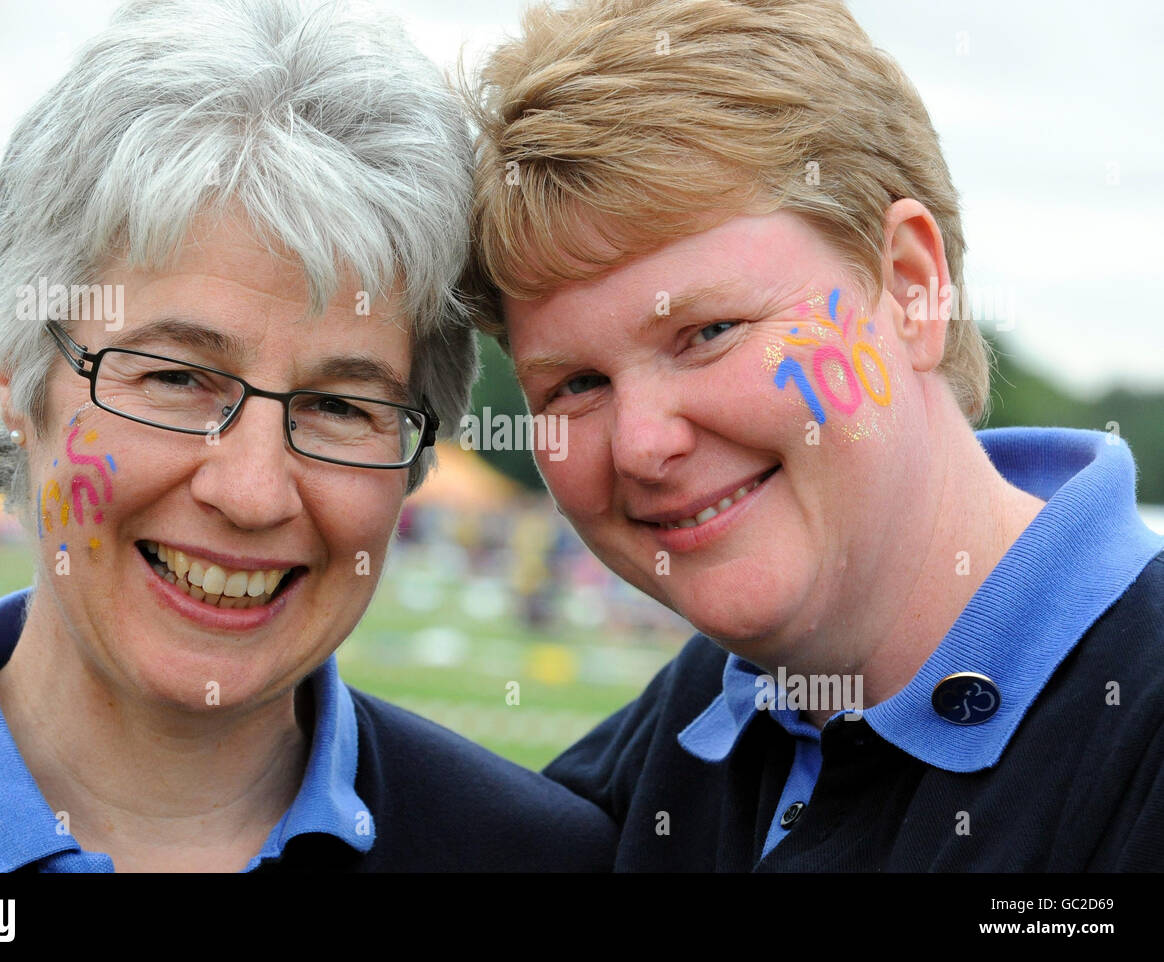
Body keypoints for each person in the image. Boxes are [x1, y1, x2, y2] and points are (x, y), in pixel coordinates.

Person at [0, 0, 616, 873]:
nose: (253, 492)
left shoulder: (541, 860)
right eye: (177, 379)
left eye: (340, 406)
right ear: (17, 387)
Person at [463, 0, 1164, 870]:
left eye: (710, 331)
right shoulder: (677, 745)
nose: (643, 445)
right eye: (575, 384)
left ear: (911, 288)